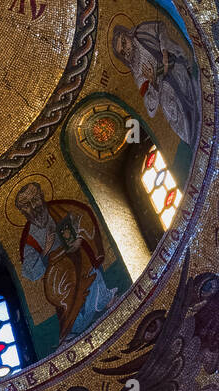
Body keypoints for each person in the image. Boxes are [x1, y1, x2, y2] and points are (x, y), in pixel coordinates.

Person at [16, 180, 116, 343]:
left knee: (86, 266)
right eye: (27, 205)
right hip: (57, 278)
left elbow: (81, 222)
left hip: (77, 259)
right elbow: (30, 273)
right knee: (65, 295)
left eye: (35, 200)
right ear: (21, 211)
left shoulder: (59, 210)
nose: (33, 207)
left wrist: (77, 235)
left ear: (42, 197)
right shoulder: (29, 237)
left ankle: (105, 300)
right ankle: (74, 328)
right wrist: (46, 250)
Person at [111, 20, 199, 146]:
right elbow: (151, 109)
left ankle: (196, 123)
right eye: (123, 52)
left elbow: (160, 26)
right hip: (164, 87)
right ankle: (192, 138)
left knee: (175, 89)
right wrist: (153, 82)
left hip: (175, 67)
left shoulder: (141, 33)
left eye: (124, 43)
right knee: (167, 102)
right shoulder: (136, 72)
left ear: (128, 34)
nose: (127, 50)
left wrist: (164, 52)